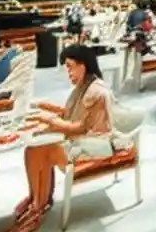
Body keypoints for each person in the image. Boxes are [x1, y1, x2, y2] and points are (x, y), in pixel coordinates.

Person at [10, 45, 125, 232]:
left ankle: (38, 206)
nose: (68, 72)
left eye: (70, 67)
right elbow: (70, 114)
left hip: (96, 145)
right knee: (33, 147)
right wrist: (44, 108)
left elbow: (80, 127)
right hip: (85, 139)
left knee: (45, 147)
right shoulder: (84, 86)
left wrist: (49, 119)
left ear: (83, 66)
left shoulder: (96, 91)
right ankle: (37, 198)